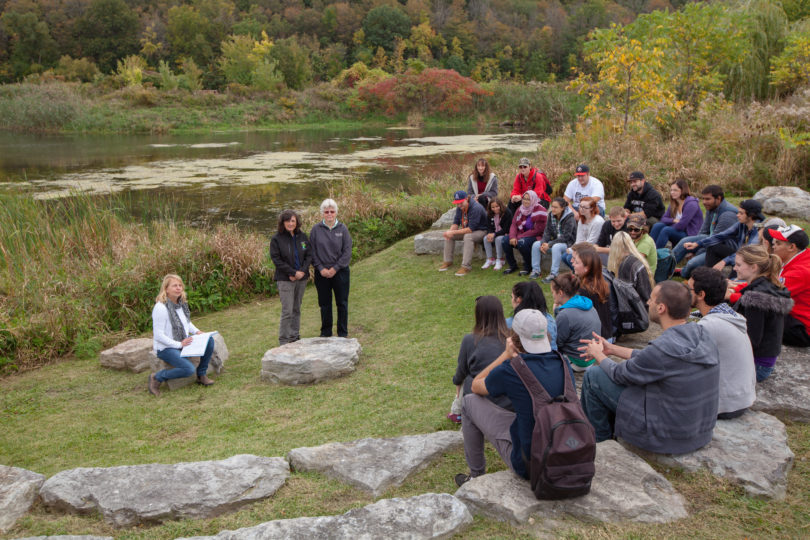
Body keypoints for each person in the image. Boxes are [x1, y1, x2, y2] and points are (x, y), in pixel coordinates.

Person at [579, 281, 720, 452]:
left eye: (651, 299)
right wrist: (613, 349)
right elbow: (651, 359)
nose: (647, 302)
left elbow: (618, 374)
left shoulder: (663, 349)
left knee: (594, 376)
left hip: (668, 437)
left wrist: (598, 354)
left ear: (661, 308)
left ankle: (600, 444)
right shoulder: (702, 334)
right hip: (698, 432)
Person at [455, 309, 575, 486]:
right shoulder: (563, 363)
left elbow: (476, 385)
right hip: (568, 449)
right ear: (546, 335)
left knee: (468, 402)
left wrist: (506, 355)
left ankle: (476, 477)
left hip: (531, 465)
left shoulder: (512, 370)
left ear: (514, 338)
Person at [689, 267, 756, 418]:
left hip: (725, 405)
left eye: (689, 289)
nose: (686, 293)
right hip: (741, 399)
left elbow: (681, 359)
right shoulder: (728, 316)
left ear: (701, 294)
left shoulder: (710, 326)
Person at [731, 245, 794, 381]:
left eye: (738, 265)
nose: (734, 268)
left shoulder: (756, 298)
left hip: (757, 365)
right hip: (765, 360)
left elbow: (751, 340)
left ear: (754, 267)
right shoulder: (769, 286)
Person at [149, 274, 216, 396]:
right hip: (166, 348)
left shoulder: (181, 304)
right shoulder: (160, 308)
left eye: (180, 285)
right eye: (174, 286)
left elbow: (186, 323)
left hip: (182, 342)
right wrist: (179, 344)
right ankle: (157, 377)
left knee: (209, 340)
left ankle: (201, 375)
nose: (178, 288)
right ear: (166, 289)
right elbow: (158, 335)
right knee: (188, 369)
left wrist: (197, 332)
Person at [451, 296, 510, 423]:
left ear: (478, 315)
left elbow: (461, 373)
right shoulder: (511, 338)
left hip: (481, 402)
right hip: (509, 402)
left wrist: (457, 387)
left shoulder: (470, 340)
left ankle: (457, 412)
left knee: (466, 379)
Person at [671, 185, 738, 279]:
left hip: (724, 248)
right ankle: (666, 268)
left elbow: (715, 240)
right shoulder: (712, 208)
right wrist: (694, 249)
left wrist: (697, 249)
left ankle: (683, 273)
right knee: (684, 242)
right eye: (703, 199)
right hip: (710, 242)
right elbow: (703, 231)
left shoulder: (728, 215)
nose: (704, 202)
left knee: (692, 263)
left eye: (708, 199)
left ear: (718, 198)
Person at [310, 198, 353, 337]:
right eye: (326, 211)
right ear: (322, 213)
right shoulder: (316, 230)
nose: (329, 214)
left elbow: (347, 252)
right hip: (321, 273)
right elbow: (312, 252)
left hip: (340, 272)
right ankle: (326, 332)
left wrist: (335, 268)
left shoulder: (343, 229)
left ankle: (342, 333)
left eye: (332, 211)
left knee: (342, 303)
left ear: (336, 213)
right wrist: (320, 268)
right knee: (324, 304)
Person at [683, 199, 764, 271]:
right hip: (739, 254)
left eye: (741, 213)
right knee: (713, 246)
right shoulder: (741, 224)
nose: (737, 215)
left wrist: (724, 261)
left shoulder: (758, 230)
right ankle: (709, 274)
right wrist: (697, 244)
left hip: (750, 261)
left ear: (751, 216)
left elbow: (747, 253)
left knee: (735, 274)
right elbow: (721, 236)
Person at [269, 209, 312, 345]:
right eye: (287, 221)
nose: (290, 223)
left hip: (301, 279)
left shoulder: (302, 237)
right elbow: (276, 260)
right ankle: (284, 340)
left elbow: (309, 255)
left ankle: (294, 337)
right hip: (285, 280)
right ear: (282, 222)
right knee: (287, 311)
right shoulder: (276, 239)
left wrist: (301, 272)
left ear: (297, 222)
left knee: (296, 308)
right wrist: (293, 273)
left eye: (293, 221)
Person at [550, 274, 602, 372]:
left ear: (560, 292)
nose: (552, 295)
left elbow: (557, 342)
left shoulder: (565, 315)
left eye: (553, 292)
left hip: (577, 362)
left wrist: (556, 315)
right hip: (592, 358)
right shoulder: (587, 304)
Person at [771, 225, 810, 347]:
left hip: (802, 330)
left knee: (754, 310)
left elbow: (768, 293)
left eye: (778, 243)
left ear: (792, 247)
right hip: (795, 318)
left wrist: (732, 294)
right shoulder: (802, 258)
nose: (773, 246)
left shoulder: (800, 271)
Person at [439, 190, 488, 277]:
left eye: (461, 202)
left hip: (482, 231)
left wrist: (452, 232)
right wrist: (450, 232)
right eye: (457, 203)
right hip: (469, 230)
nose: (459, 205)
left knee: (468, 237)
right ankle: (448, 261)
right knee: (450, 235)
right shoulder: (460, 207)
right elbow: (455, 223)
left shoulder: (476, 208)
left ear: (466, 199)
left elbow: (470, 229)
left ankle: (466, 266)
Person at [571, 244, 613, 340]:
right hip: (606, 335)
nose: (573, 264)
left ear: (587, 268)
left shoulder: (584, 290)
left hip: (594, 338)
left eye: (576, 262)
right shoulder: (602, 284)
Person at [501, 190, 547, 276]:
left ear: (533, 199)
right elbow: (514, 224)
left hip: (536, 236)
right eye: (524, 199)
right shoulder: (520, 209)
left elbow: (538, 230)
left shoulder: (541, 210)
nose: (525, 201)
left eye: (528, 199)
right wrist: (512, 237)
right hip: (521, 235)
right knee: (505, 240)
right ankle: (512, 265)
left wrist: (519, 237)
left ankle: (528, 266)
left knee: (522, 242)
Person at [532, 197, 576, 283]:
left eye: (556, 207)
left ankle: (554, 274)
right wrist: (543, 243)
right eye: (552, 206)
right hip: (555, 242)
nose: (553, 209)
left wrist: (549, 244)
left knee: (556, 247)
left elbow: (566, 237)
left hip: (568, 244)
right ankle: (536, 270)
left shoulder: (570, 218)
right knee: (536, 244)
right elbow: (547, 231)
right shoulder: (551, 215)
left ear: (562, 208)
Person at [649, 179, 703, 249]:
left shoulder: (691, 204)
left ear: (683, 190)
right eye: (671, 190)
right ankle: (649, 249)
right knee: (658, 225)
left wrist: (670, 223)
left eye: (675, 190)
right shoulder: (674, 203)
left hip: (690, 234)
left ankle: (657, 252)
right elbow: (663, 219)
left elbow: (681, 225)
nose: (672, 192)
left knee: (666, 230)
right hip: (679, 230)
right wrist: (673, 220)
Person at [506, 281, 557, 350]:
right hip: (552, 356)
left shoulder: (510, 323)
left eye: (512, 297)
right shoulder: (550, 320)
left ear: (519, 300)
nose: (511, 300)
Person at [607, 231, 653, 304]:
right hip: (646, 302)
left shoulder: (626, 265)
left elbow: (626, 298)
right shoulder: (638, 260)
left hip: (639, 306)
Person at [561, 196, 604, 270]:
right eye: (580, 206)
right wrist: (573, 248)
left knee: (570, 258)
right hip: (584, 247)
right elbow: (579, 239)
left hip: (594, 249)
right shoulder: (582, 220)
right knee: (564, 256)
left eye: (585, 207)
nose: (581, 209)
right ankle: (577, 273)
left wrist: (573, 250)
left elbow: (592, 242)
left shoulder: (597, 221)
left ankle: (583, 274)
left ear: (591, 208)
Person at [481, 197, 512, 271]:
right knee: (485, 238)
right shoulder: (490, 214)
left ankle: (500, 259)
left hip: (506, 233)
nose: (495, 209)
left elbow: (506, 229)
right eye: (493, 207)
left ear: (500, 205)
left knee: (498, 239)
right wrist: (490, 234)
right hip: (495, 233)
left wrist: (494, 234)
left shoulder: (507, 212)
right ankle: (490, 259)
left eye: (497, 206)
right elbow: (489, 227)